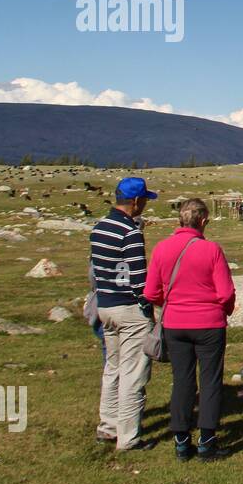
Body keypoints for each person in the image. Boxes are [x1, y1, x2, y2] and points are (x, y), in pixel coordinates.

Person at [143, 198, 235, 462]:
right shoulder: (212, 250)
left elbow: (151, 292)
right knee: (210, 381)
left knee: (182, 380)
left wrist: (171, 306)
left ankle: (181, 442)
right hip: (209, 324)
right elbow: (225, 292)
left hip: (174, 324)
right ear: (204, 221)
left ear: (179, 220)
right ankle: (207, 442)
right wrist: (223, 310)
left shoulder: (161, 249)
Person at [91, 176, 158, 451]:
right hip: (129, 310)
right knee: (134, 374)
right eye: (144, 200)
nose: (144, 205)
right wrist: (148, 308)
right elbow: (140, 279)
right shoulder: (129, 233)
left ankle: (107, 427)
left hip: (105, 306)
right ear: (135, 201)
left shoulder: (99, 228)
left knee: (113, 368)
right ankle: (128, 437)